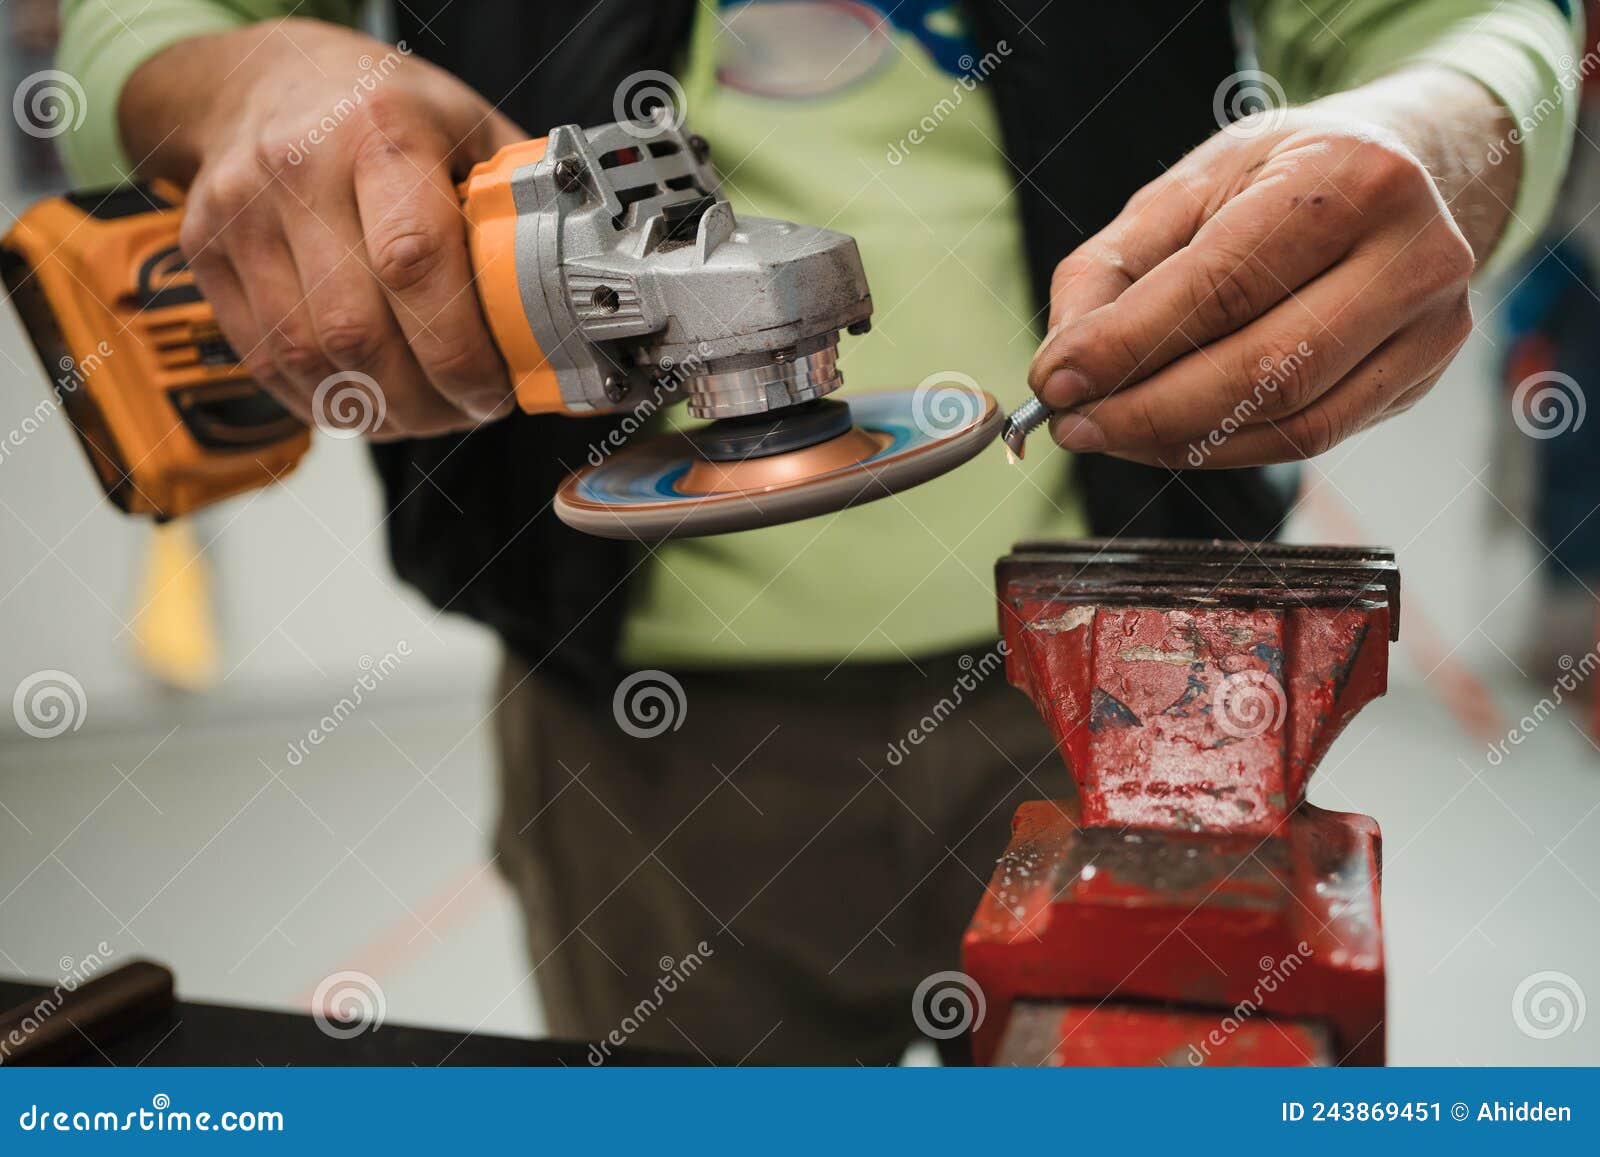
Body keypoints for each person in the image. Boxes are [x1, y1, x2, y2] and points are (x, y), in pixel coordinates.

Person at [57, 0, 1580, 1063]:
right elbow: (148, 21)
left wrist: (1451, 129)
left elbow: (1457, 26)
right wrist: (243, 75)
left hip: (1142, 682)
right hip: (636, 740)